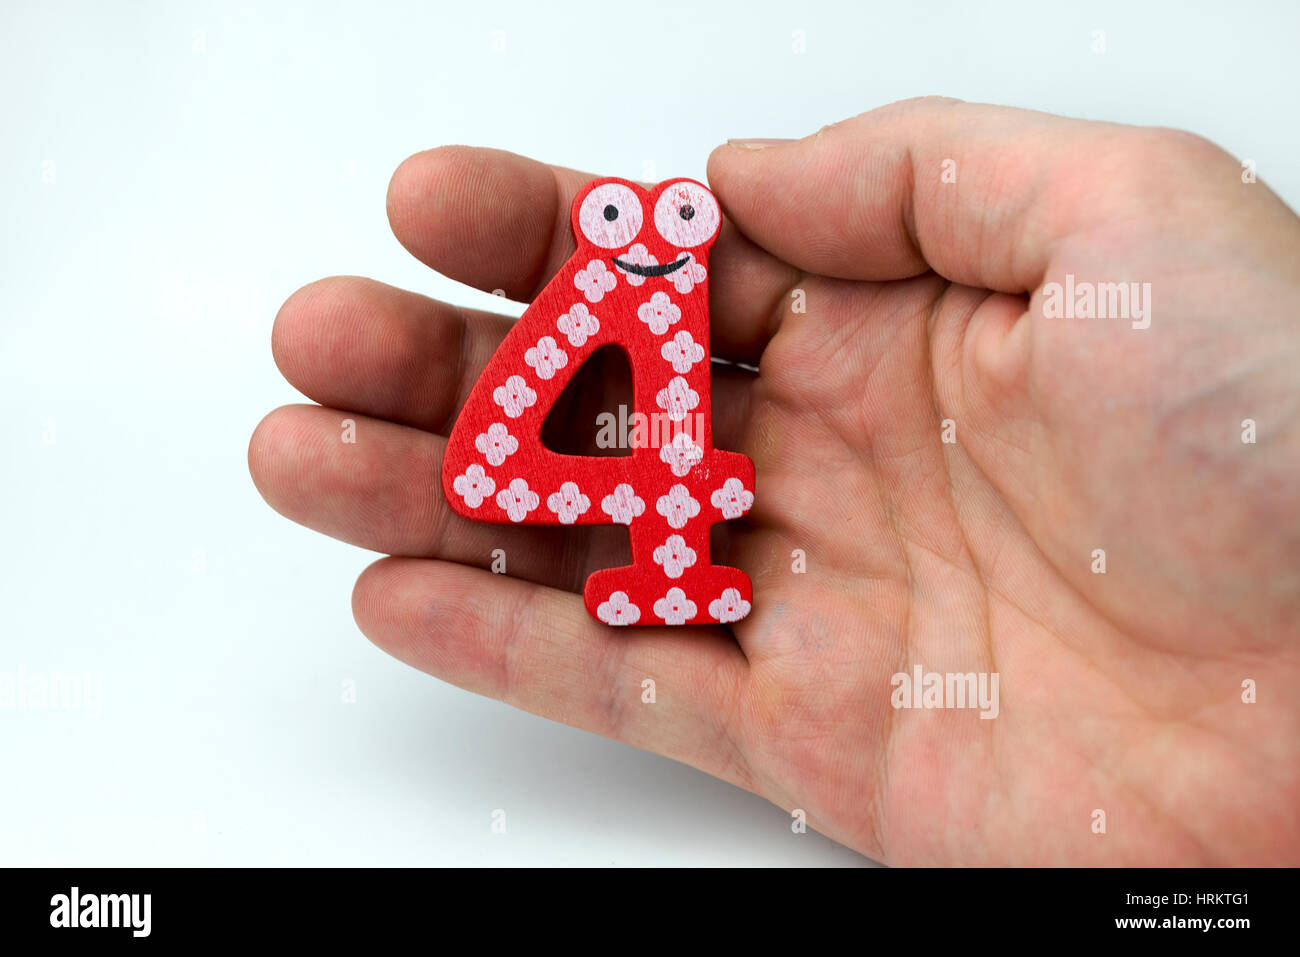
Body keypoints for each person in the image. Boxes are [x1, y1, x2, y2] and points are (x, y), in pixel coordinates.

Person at [249, 97, 1300, 865]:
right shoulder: (621, 294)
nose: (656, 256)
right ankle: (667, 549)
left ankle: (671, 553)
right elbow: (492, 464)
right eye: (624, 236)